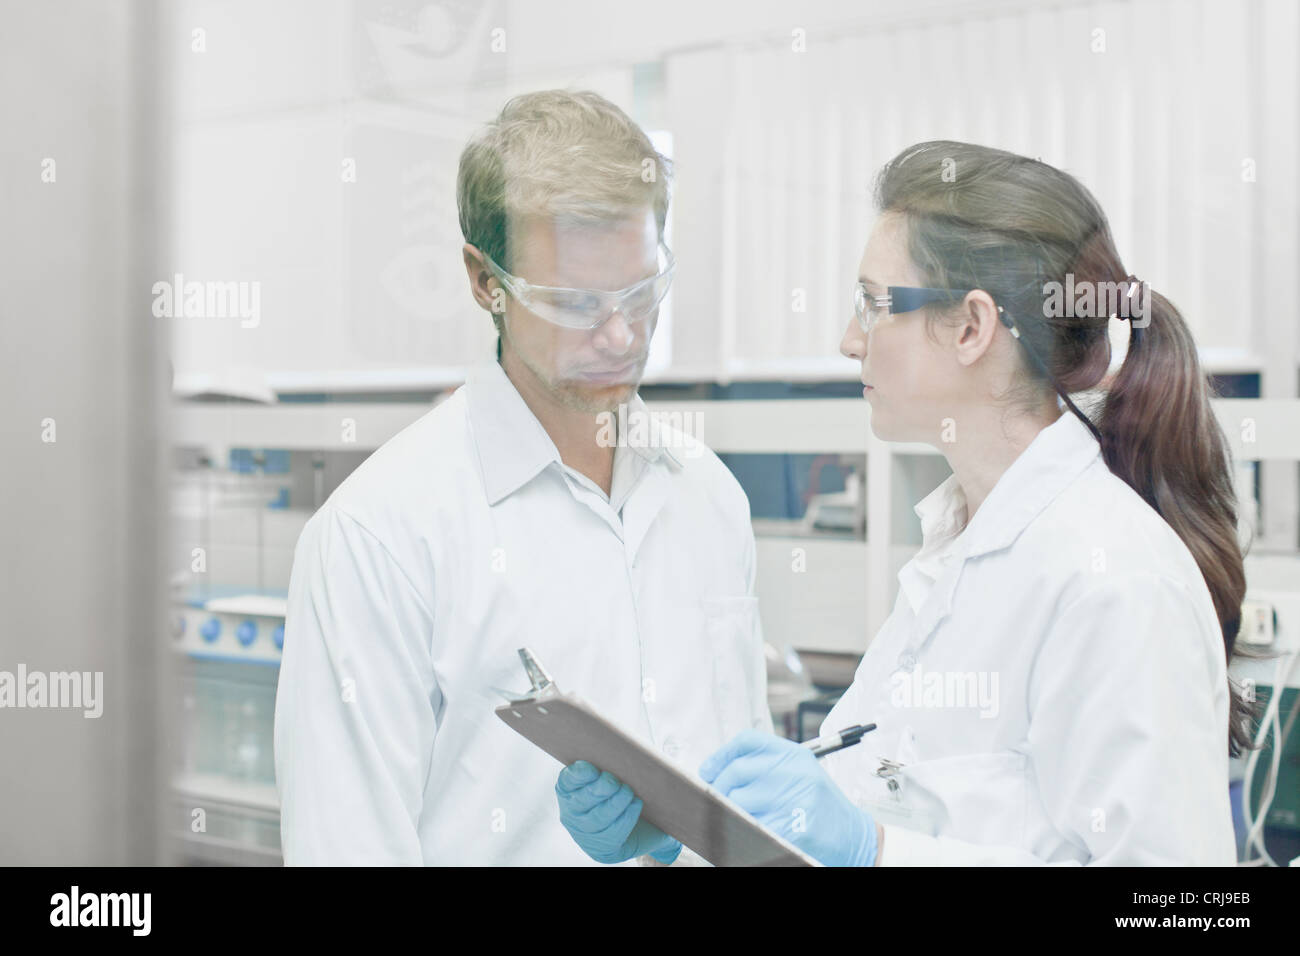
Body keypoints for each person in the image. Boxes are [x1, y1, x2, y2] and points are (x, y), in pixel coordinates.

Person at [558, 141, 1251, 866]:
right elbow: (868, 793)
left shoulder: (1113, 581)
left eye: (874, 303)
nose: (849, 340)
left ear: (971, 328)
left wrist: (874, 850)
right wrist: (689, 826)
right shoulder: (956, 546)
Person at [274, 90, 771, 865]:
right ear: (484, 281)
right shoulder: (380, 534)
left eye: (642, 293)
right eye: (575, 303)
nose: (620, 334)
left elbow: (746, 791)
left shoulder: (707, 496)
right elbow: (347, 845)